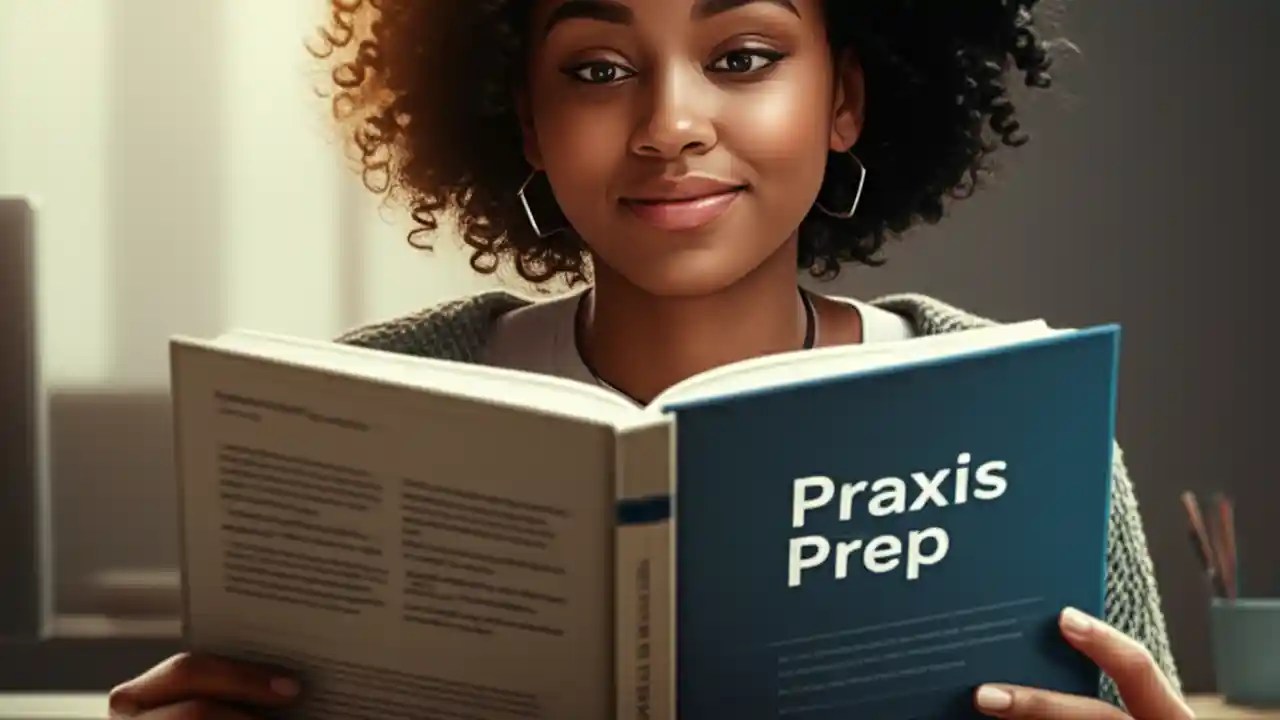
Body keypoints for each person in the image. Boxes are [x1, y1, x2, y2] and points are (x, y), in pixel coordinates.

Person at [108, 1, 1191, 718]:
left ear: (844, 99)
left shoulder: (1020, 415)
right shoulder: (367, 400)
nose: (669, 123)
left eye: (742, 57)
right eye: (595, 67)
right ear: (524, 119)